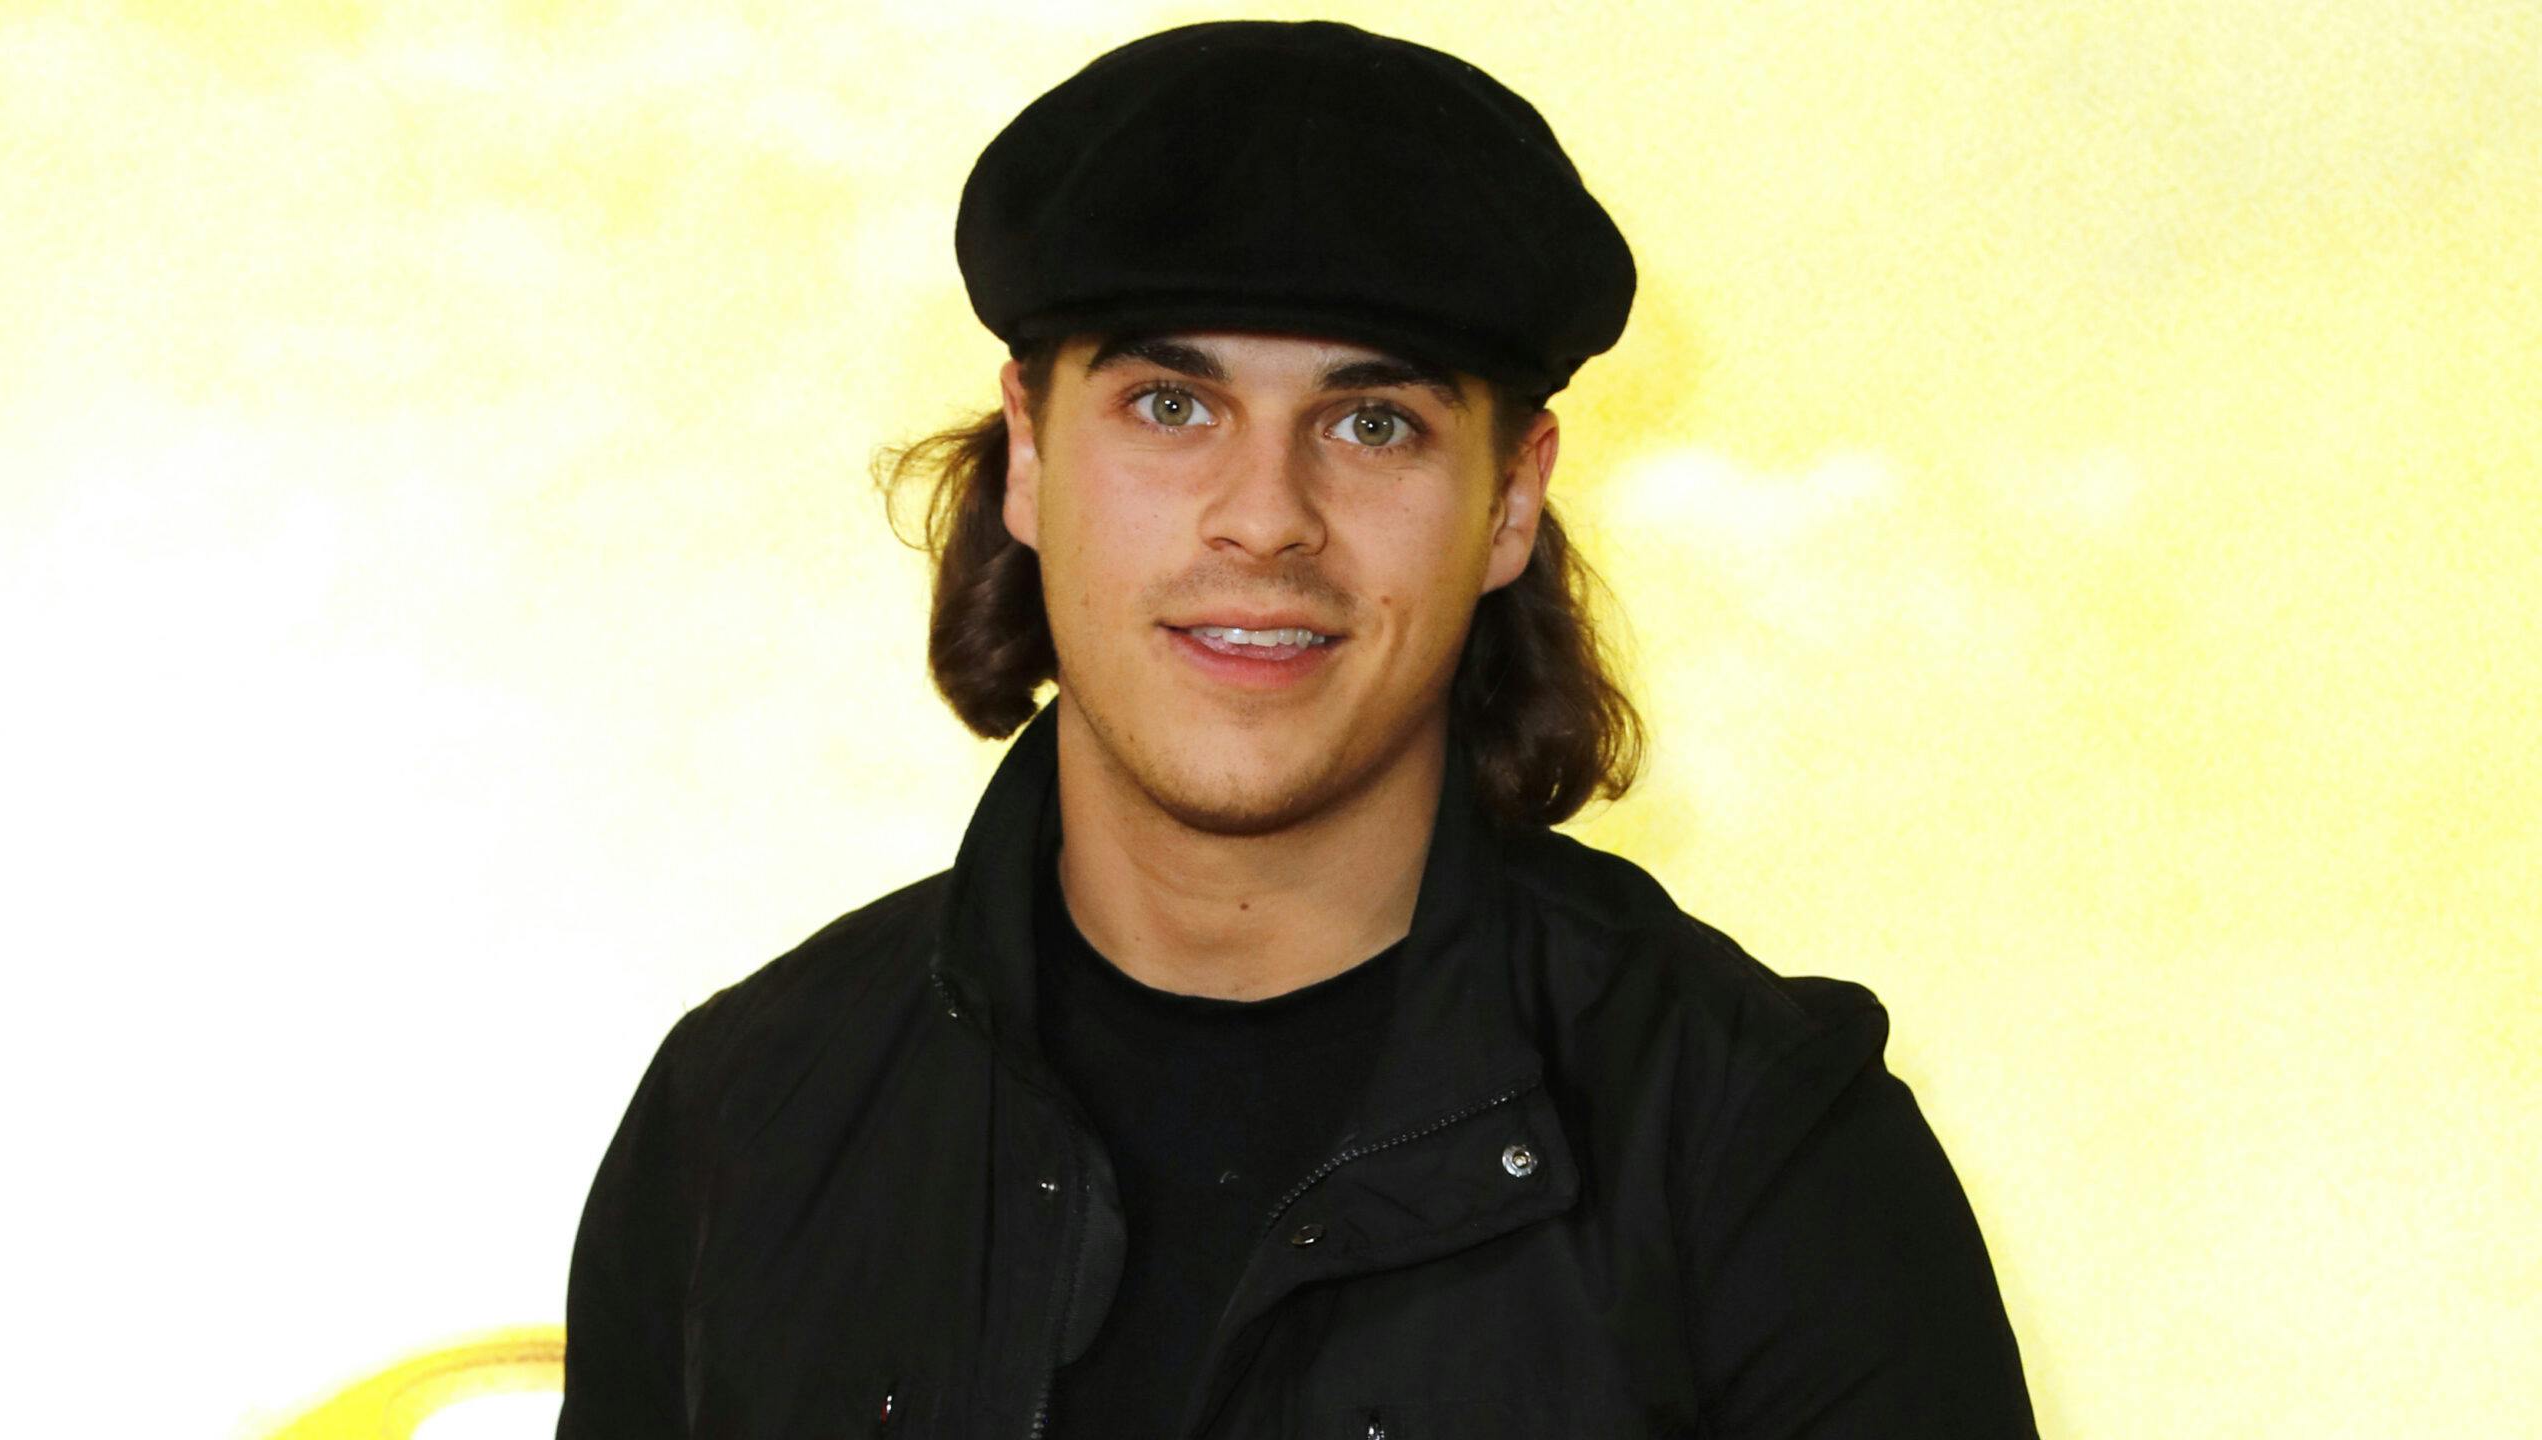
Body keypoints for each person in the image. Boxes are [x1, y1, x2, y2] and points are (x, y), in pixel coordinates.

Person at [556, 19, 2039, 1439]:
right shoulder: (743, 1120)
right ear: (1030, 452)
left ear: (1512, 501)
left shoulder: (1761, 1153)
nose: (1266, 518)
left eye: (1372, 423)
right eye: (1170, 406)